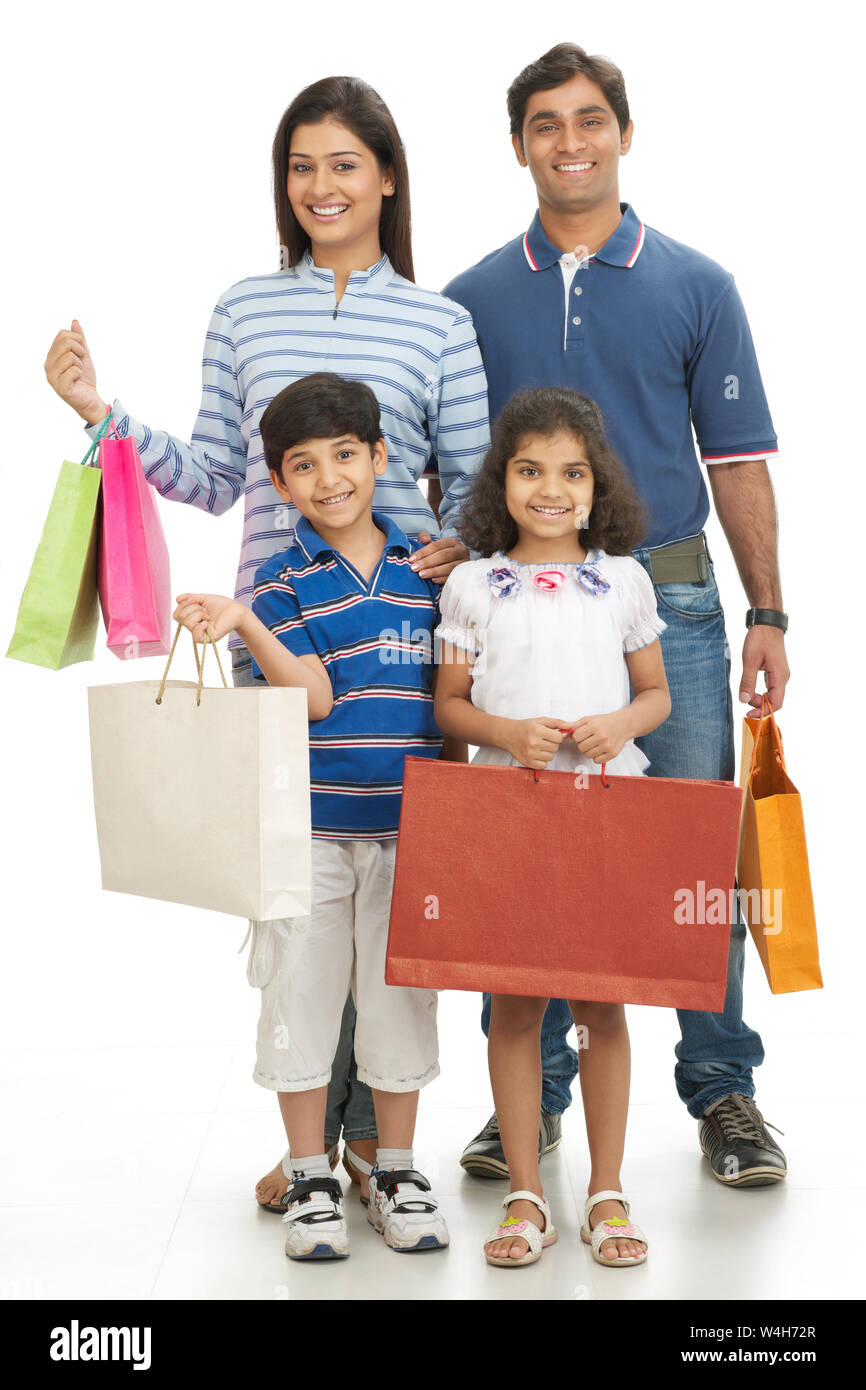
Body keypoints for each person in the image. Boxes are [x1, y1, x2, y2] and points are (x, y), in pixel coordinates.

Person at [42, 74, 487, 1211]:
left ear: (386, 174)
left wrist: (441, 549)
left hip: (393, 644)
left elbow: (474, 487)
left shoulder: (439, 322)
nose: (322, 185)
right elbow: (207, 473)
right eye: (301, 165)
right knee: (300, 895)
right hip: (266, 642)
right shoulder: (242, 307)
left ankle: (364, 1148)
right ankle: (316, 1149)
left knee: (383, 874)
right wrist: (102, 415)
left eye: (344, 162)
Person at [440, 42, 789, 1187]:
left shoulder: (697, 284)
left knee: (692, 857)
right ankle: (525, 1100)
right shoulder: (473, 298)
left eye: (590, 120)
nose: (570, 142)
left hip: (672, 603)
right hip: (519, 622)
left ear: (623, 134)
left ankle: (723, 1091)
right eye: (546, 124)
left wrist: (767, 612)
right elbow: (459, 470)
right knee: (524, 855)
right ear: (518, 146)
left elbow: (734, 462)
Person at [173, 372, 450, 1260]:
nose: (329, 478)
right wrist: (247, 620)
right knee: (300, 999)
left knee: (399, 1004)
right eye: (303, 465)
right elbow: (316, 699)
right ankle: (309, 1176)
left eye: (345, 455)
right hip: (313, 836)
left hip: (415, 833)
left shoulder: (427, 571)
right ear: (280, 485)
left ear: (379, 457)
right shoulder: (280, 583)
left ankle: (396, 1168)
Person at [434, 386, 670, 1266]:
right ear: (502, 482)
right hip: (508, 814)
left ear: (596, 484)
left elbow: (656, 693)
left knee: (602, 1004)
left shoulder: (625, 579)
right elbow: (451, 705)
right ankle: (527, 1192)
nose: (551, 489)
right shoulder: (470, 586)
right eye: (530, 470)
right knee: (517, 1002)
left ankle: (606, 1190)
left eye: (572, 472)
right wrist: (504, 734)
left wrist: (623, 724)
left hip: (605, 811)